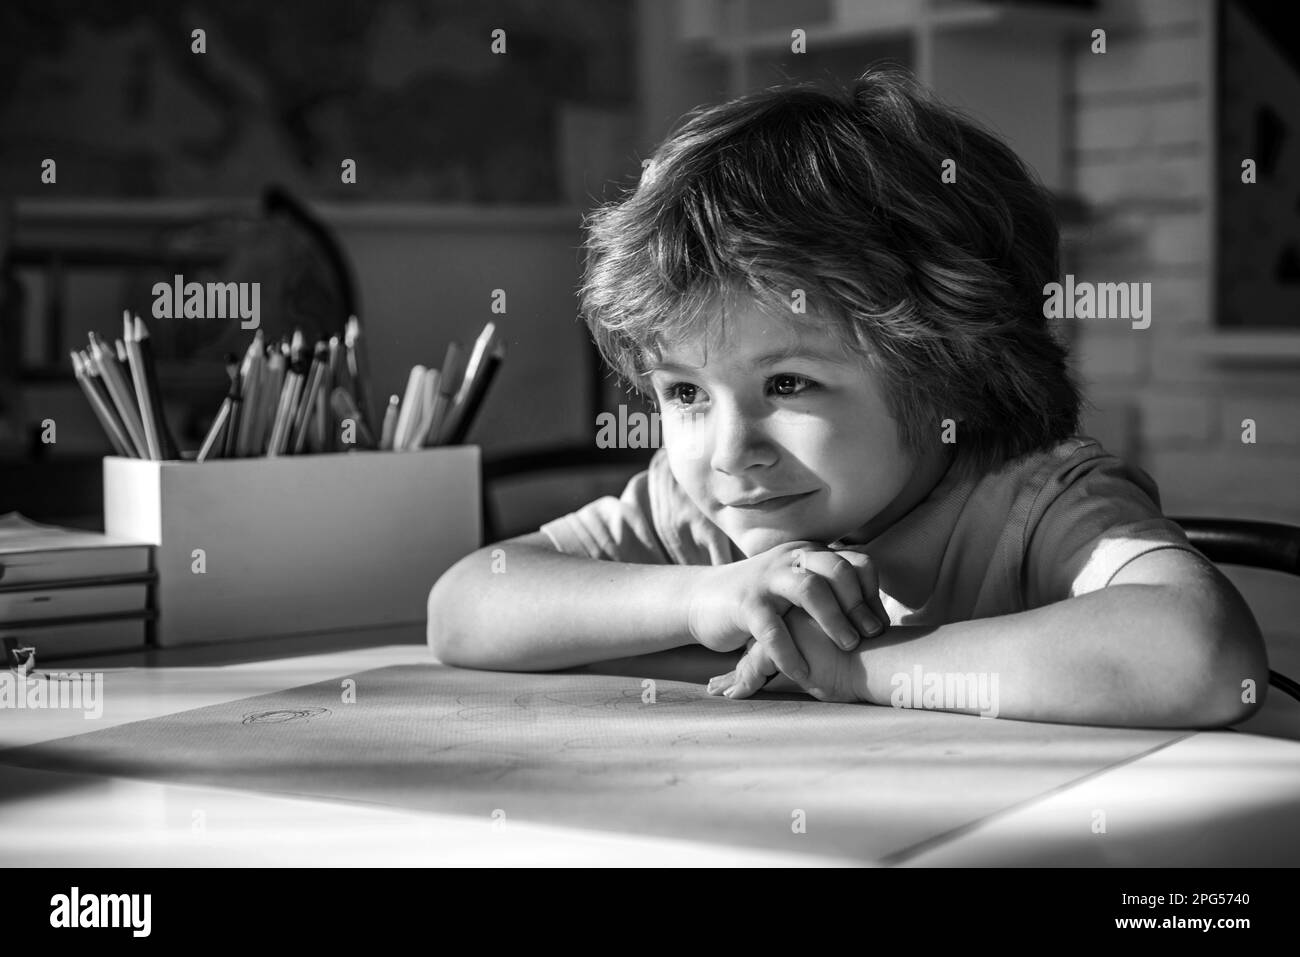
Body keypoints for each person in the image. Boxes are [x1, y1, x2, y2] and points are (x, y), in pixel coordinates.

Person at [428, 69, 1267, 727]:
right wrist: (702, 597)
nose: (729, 451)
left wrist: (857, 668)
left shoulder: (1033, 502)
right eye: (684, 392)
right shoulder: (704, 511)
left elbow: (1201, 653)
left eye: (787, 384)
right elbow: (463, 604)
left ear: (943, 366)